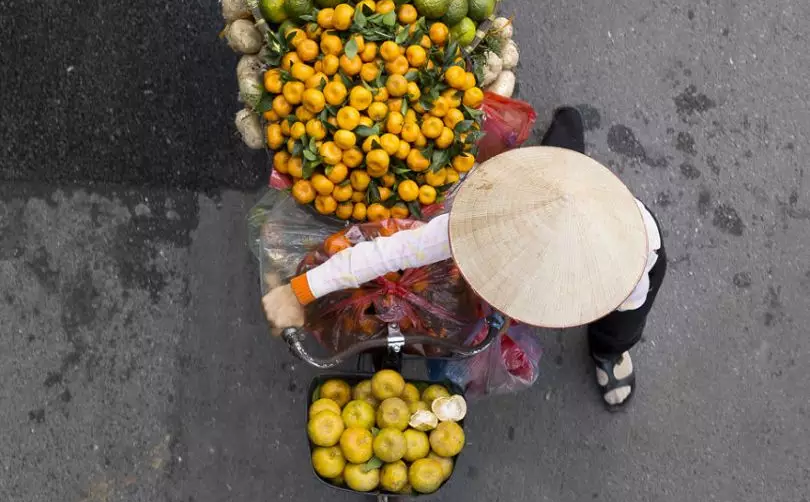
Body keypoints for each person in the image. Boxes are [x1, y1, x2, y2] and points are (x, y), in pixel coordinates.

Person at [262, 108, 666, 410]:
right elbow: (389, 251)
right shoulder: (481, 221)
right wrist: (301, 289)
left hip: (616, 234)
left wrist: (613, 332)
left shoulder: (629, 263)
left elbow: (626, 301)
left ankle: (609, 353)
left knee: (621, 325)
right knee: (555, 175)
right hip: (553, 186)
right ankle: (563, 142)